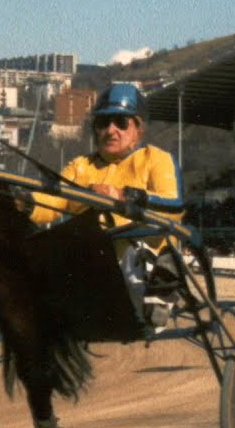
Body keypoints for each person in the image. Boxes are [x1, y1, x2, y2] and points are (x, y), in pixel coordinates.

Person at [29, 82, 185, 327]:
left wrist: (123, 196)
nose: (111, 130)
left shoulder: (157, 159)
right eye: (103, 123)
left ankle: (161, 289)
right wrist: (25, 202)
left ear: (138, 128)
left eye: (121, 122)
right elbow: (52, 200)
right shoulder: (82, 166)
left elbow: (174, 208)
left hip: (142, 255)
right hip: (95, 262)